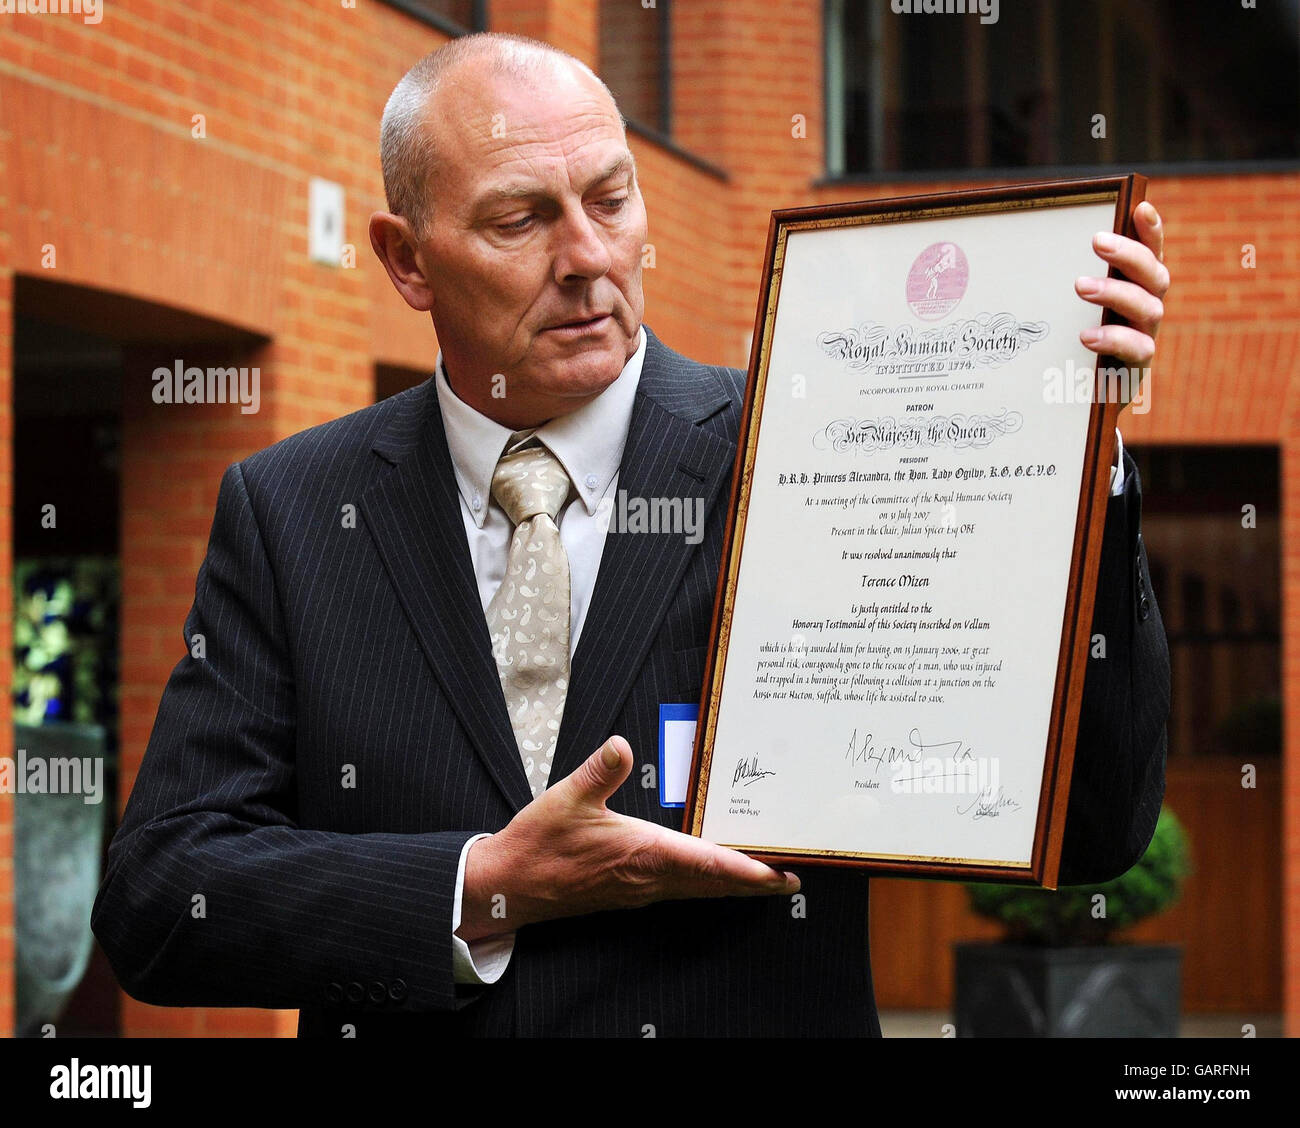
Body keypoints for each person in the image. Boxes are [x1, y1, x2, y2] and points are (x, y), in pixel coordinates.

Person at [92, 32, 1171, 1037]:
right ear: (406, 260)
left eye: (610, 198)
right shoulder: (289, 510)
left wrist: (1084, 459)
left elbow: (1086, 833)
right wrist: (482, 883)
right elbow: (161, 896)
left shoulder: (815, 454)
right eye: (520, 220)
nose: (586, 256)